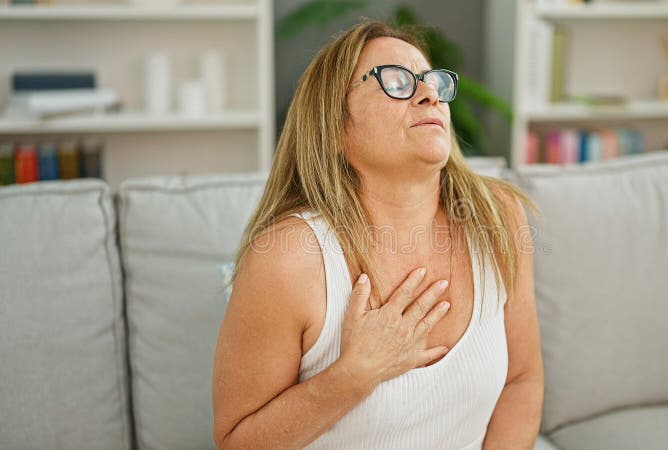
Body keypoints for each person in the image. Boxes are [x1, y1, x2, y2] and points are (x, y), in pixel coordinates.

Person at [212, 19, 544, 450]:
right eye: (397, 81)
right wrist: (352, 377)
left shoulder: (498, 217)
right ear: (334, 128)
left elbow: (522, 380)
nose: (429, 94)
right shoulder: (287, 260)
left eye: (432, 82)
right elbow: (237, 442)